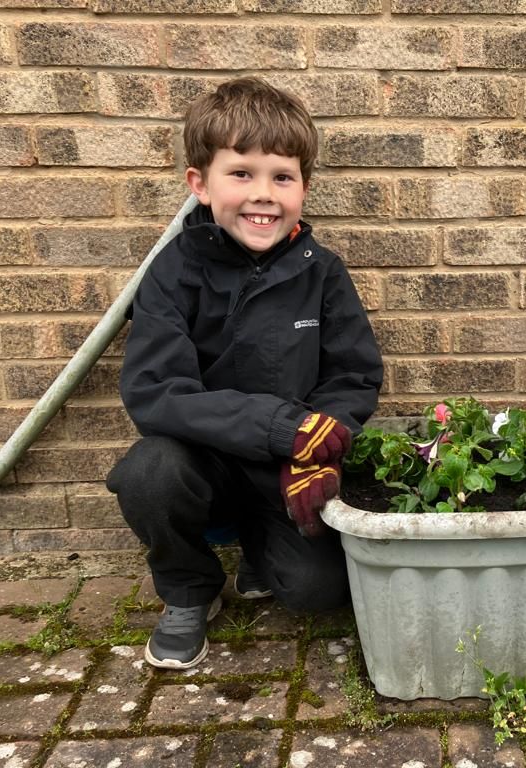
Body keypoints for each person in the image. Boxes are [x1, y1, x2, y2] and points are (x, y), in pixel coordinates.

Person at [106, 77, 383, 670]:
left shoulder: (323, 273)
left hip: (285, 471)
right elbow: (157, 393)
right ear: (200, 185)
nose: (264, 195)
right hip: (199, 462)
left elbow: (353, 376)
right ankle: (188, 590)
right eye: (242, 174)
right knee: (148, 472)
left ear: (304, 187)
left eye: (282, 177)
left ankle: (261, 550)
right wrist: (281, 425)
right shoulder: (171, 274)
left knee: (319, 593)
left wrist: (317, 448)